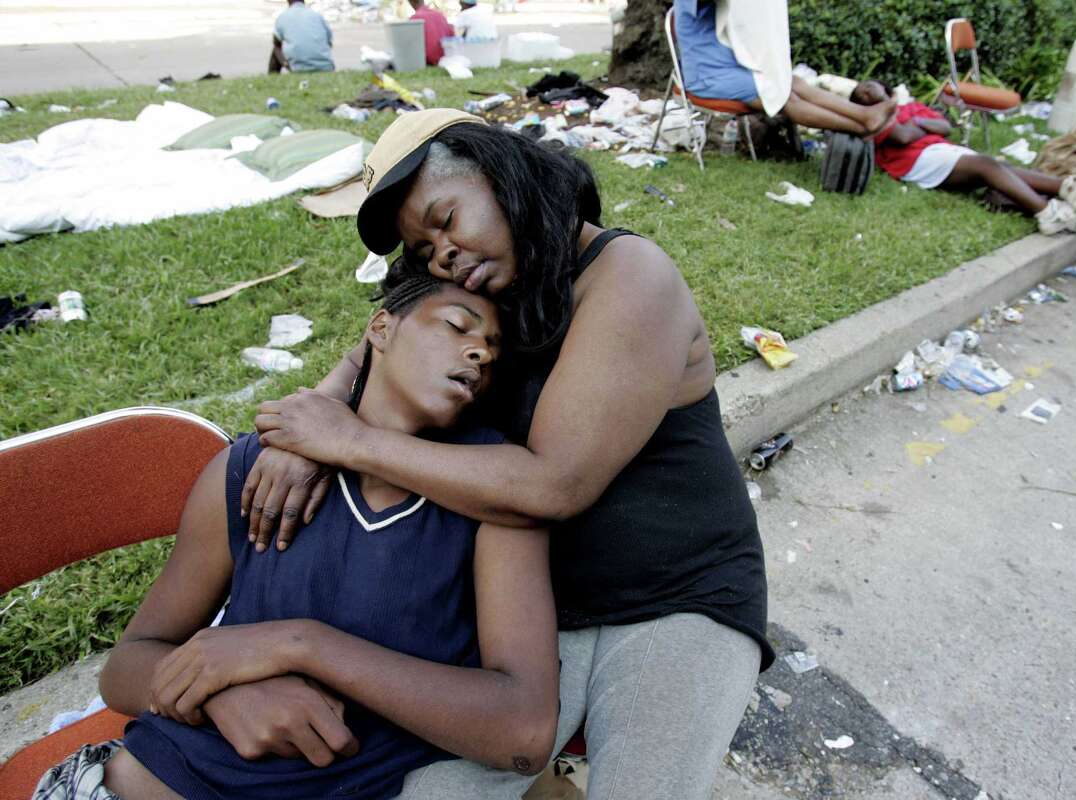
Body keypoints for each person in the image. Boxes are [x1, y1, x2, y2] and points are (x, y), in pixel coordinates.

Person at [247, 108, 773, 799]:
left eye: (445, 220)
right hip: (538, 607)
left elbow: (555, 485)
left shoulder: (627, 276)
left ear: (503, 176)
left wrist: (349, 442)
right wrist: (310, 425)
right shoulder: (487, 292)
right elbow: (377, 346)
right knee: (425, 791)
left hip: (678, 599)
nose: (443, 255)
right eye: (425, 247)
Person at [33, 275, 559, 800]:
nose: (481, 353)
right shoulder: (251, 473)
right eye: (457, 325)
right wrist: (223, 693)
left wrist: (300, 645)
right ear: (380, 327)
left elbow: (522, 733)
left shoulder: (492, 495)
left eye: (494, 350)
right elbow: (125, 667)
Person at [851, 79, 1076, 236]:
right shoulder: (872, 118)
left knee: (999, 167)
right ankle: (1047, 213)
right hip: (917, 163)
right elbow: (903, 138)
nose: (864, 92)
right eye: (860, 94)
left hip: (944, 151)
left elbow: (945, 127)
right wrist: (922, 126)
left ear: (887, 92)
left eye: (868, 87)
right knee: (987, 165)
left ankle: (1067, 190)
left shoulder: (911, 108)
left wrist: (916, 122)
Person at [673, 0, 896, 136]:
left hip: (727, 69)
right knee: (783, 95)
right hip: (707, 77)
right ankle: (861, 126)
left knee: (792, 82)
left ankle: (864, 115)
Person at [270, 0, 334, 74]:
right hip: (326, 67)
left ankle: (272, 76)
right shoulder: (317, 15)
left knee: (276, 47)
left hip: (298, 69)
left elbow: (276, 43)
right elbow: (329, 42)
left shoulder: (282, 17)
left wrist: (286, 63)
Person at [409, 0, 454, 66]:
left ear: (411, 2)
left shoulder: (415, 18)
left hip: (428, 60)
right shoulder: (440, 15)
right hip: (446, 57)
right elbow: (451, 36)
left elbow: (411, 44)